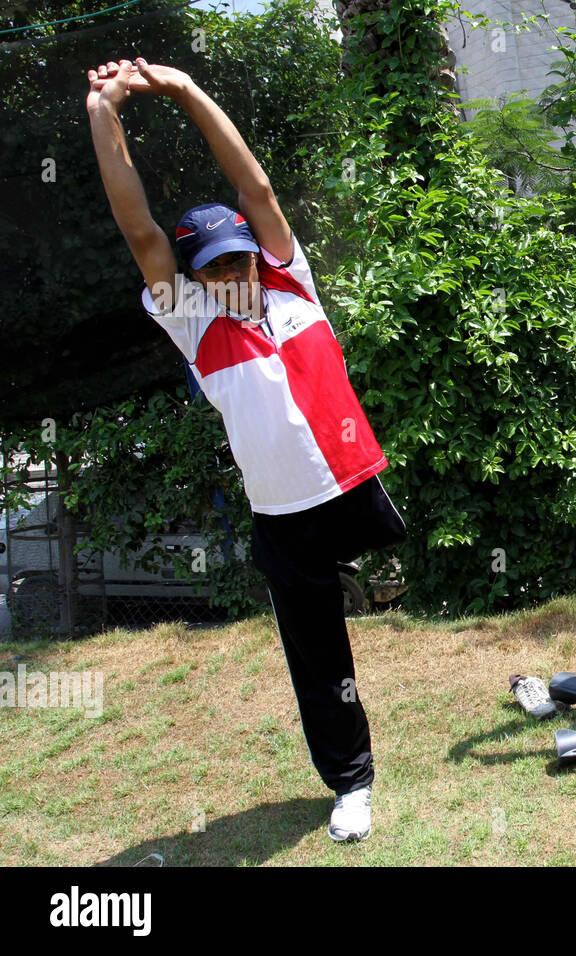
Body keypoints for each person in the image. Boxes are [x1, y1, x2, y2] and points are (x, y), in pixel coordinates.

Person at [86, 58, 406, 839]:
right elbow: (139, 227)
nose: (233, 271)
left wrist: (188, 92)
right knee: (317, 655)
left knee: (393, 567)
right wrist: (105, 109)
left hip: (354, 488)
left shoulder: (294, 283)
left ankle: (379, 574)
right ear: (194, 279)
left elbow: (256, 191)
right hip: (284, 517)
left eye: (238, 257)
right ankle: (351, 783)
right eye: (214, 267)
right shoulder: (194, 325)